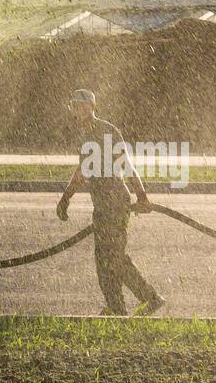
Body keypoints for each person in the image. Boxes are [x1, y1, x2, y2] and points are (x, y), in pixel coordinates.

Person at [56, 89, 165, 316]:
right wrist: (66, 198)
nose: (77, 110)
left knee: (111, 258)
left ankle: (145, 299)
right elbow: (83, 171)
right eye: (74, 106)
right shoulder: (86, 135)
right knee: (108, 258)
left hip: (113, 202)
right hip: (104, 204)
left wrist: (141, 194)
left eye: (81, 105)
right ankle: (119, 307)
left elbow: (125, 163)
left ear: (92, 107)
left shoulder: (105, 130)